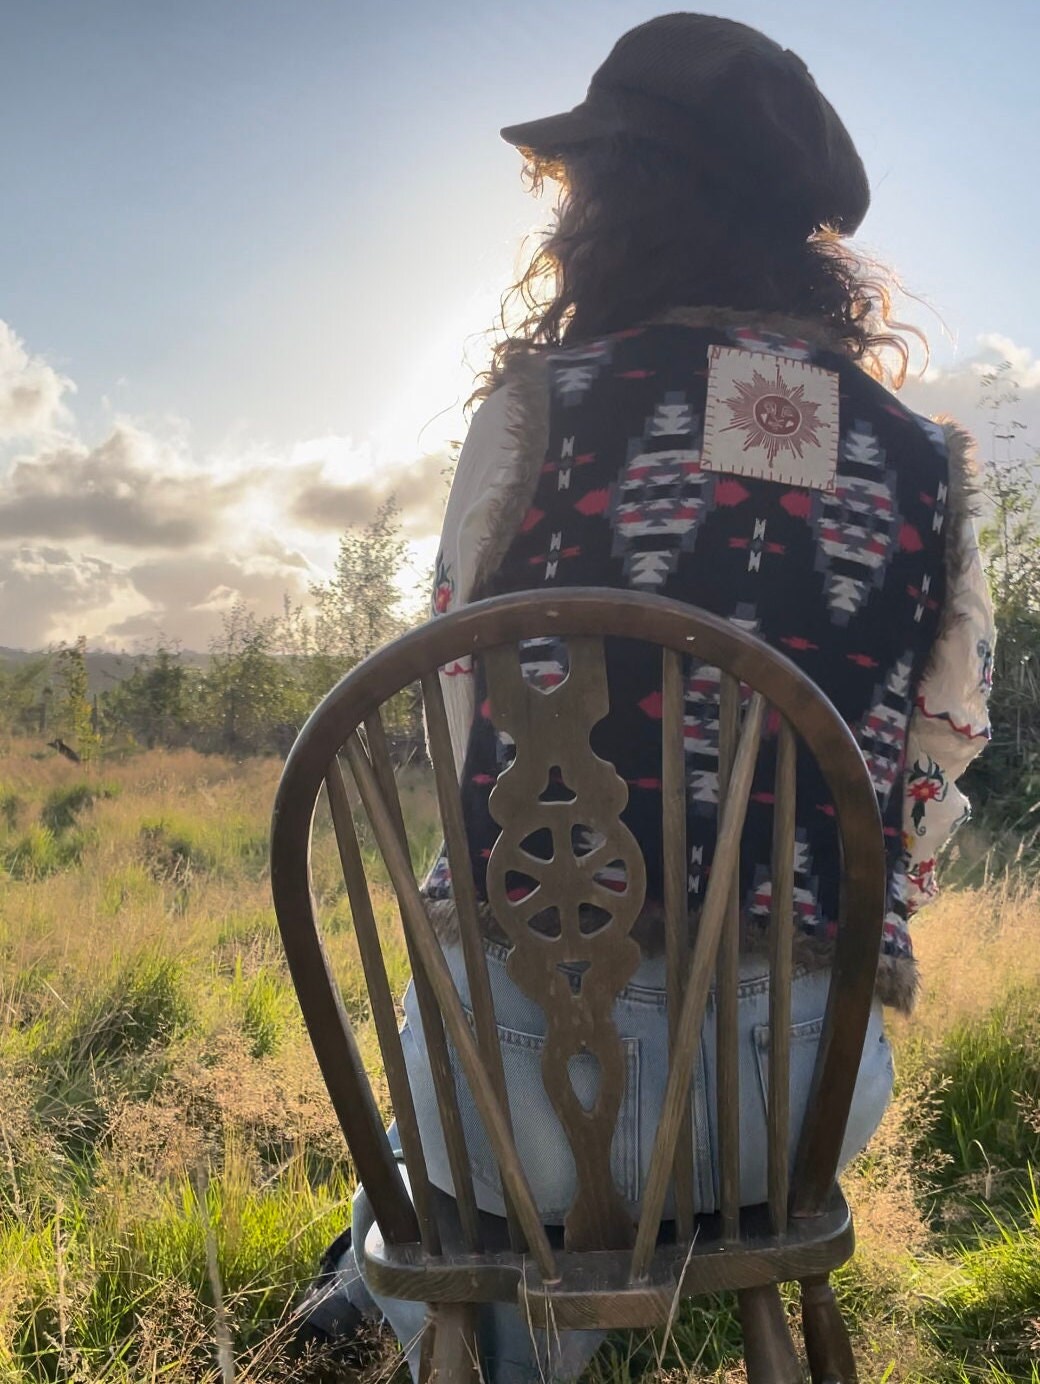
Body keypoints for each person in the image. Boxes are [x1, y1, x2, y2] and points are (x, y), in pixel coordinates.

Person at [295, 13, 994, 1381]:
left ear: (611, 198)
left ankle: (403, 1293)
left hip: (521, 1076)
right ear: (807, 236)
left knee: (473, 1160)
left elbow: (442, 729)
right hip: (794, 1103)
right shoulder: (925, 469)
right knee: (525, 1152)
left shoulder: (539, 408)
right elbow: (935, 756)